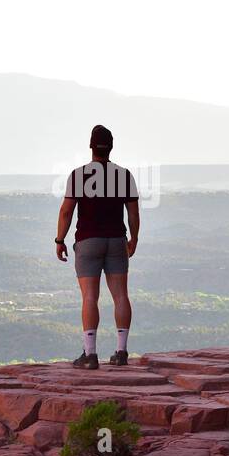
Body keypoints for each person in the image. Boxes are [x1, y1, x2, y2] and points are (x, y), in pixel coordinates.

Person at [55, 124, 139, 369]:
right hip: (116, 239)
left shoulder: (79, 175)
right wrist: (134, 238)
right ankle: (121, 352)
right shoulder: (123, 175)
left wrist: (60, 240)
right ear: (111, 147)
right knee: (121, 295)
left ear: (91, 146)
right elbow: (132, 213)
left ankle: (90, 355)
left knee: (90, 296)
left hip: (88, 240)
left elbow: (66, 211)